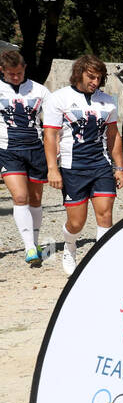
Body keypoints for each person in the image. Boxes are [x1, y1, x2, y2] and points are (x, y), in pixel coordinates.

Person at [42, 54, 123, 274]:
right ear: (79, 73)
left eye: (98, 78)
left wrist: (120, 167)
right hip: (73, 168)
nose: (95, 82)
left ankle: (102, 264)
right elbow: (50, 135)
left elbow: (113, 135)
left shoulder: (107, 101)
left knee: (105, 214)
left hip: (101, 165)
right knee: (76, 223)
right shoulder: (58, 98)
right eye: (91, 77)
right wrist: (52, 169)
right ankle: (70, 247)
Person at [0, 50, 50, 267]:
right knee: (20, 197)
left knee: (36, 199)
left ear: (25, 68)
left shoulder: (40, 91)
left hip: (36, 149)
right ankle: (29, 247)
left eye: (18, 73)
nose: (15, 77)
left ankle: (36, 241)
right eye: (11, 74)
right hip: (7, 150)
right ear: (2, 70)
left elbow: (51, 124)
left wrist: (53, 152)